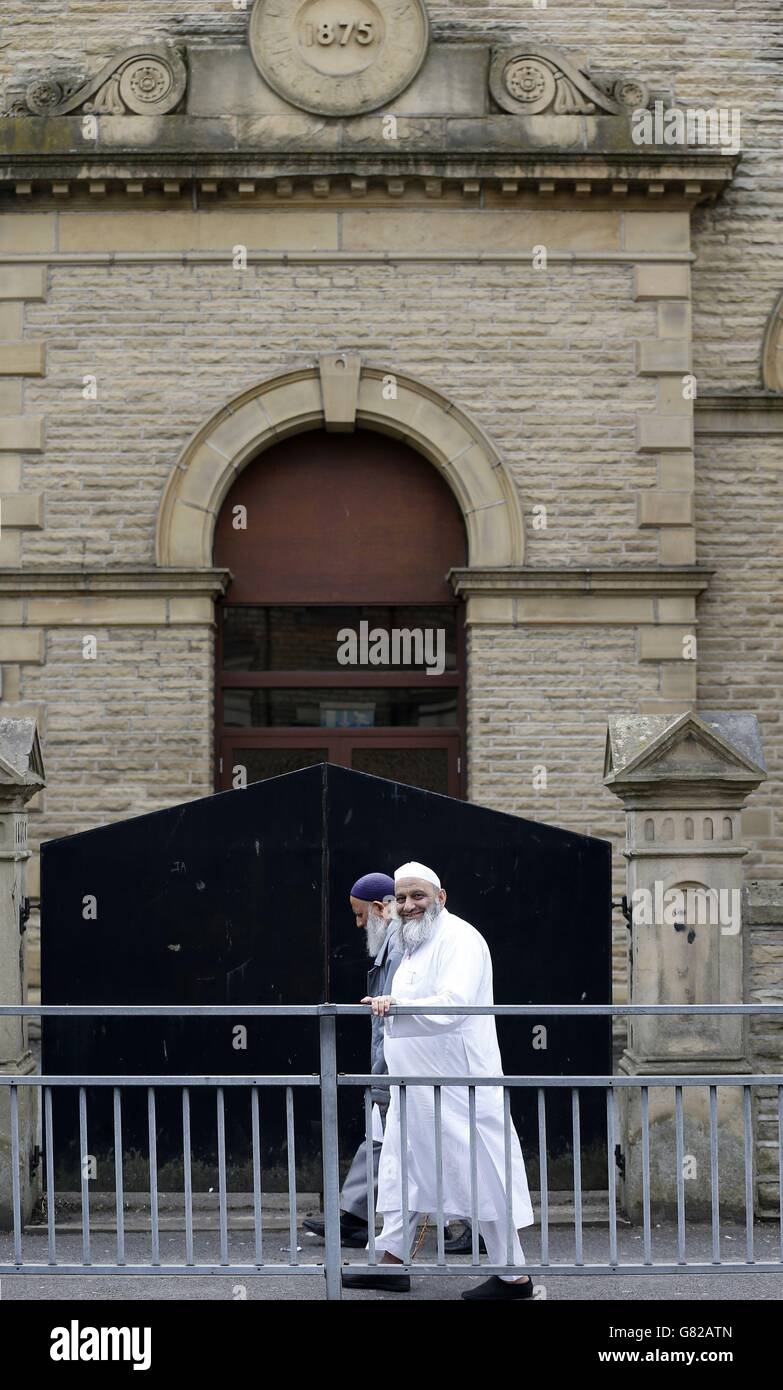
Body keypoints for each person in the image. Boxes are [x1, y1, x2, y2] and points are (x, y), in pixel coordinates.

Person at [342, 861, 536, 1301]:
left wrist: (396, 1007)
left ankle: (515, 1277)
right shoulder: (413, 941)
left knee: (482, 1175)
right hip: (415, 1085)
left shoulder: (461, 939)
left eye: (418, 896)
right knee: (401, 1172)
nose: (409, 905)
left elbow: (455, 1003)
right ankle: (390, 1262)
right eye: (403, 897)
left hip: (457, 1084)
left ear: (440, 897)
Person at [303, 872, 402, 1247]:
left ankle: (355, 1218)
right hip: (394, 1066)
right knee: (385, 1139)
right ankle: (354, 1216)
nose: (359, 924)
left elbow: (391, 1020)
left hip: (396, 1067)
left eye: (361, 915)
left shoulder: (395, 946)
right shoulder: (394, 945)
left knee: (391, 1140)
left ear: (379, 907)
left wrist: (381, 1075)